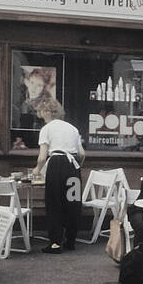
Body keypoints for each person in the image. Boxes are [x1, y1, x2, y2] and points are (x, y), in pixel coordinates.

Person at [32, 98, 85, 253]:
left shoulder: (46, 129)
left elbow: (42, 157)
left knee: (54, 202)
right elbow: (82, 153)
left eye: (41, 112)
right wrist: (76, 166)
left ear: (47, 111)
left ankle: (55, 242)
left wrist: (37, 169)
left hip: (55, 164)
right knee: (73, 202)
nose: (40, 115)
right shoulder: (73, 128)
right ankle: (71, 240)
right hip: (73, 165)